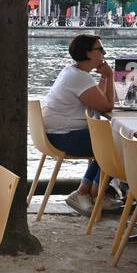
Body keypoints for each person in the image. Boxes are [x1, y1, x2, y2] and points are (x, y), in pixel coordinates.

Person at [39, 34, 116, 216]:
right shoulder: (79, 77)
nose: (104, 53)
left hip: (56, 133)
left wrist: (104, 78)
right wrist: (110, 77)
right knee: (116, 143)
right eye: (100, 49)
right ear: (89, 53)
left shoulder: (73, 72)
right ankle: (97, 194)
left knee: (107, 137)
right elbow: (106, 105)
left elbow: (98, 100)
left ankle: (84, 191)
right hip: (63, 136)